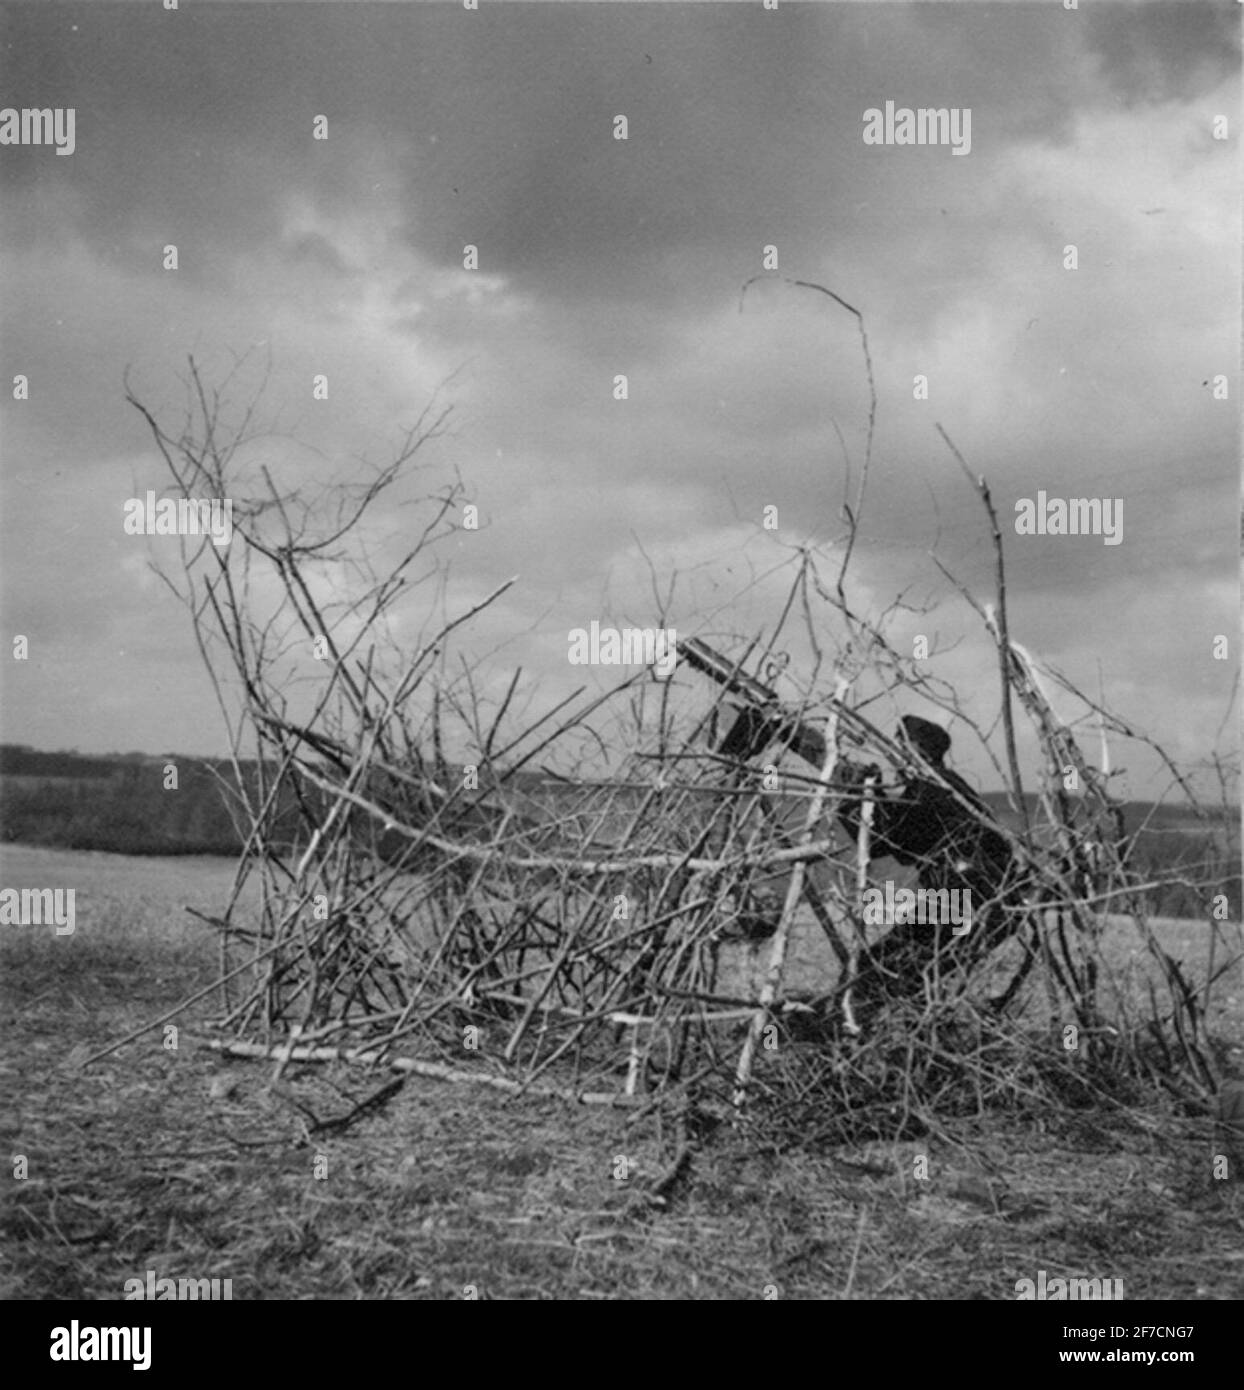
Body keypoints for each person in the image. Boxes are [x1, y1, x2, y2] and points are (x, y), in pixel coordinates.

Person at [835, 715, 1025, 1021]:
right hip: (977, 902)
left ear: (917, 752)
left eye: (900, 748)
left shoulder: (932, 789)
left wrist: (856, 794)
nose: (895, 759)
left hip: (968, 903)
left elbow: (884, 839)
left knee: (873, 973)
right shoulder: (945, 786)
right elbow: (902, 834)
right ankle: (891, 1034)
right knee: (901, 976)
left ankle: (852, 1034)